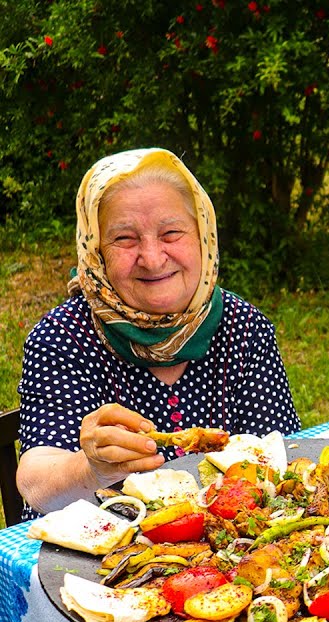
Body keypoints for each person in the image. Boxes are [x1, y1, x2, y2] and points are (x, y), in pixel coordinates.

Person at [16, 148, 301, 518]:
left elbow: (284, 453)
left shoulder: (243, 326)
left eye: (171, 233)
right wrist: (92, 469)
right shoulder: (62, 338)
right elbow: (37, 485)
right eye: (124, 239)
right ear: (95, 251)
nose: (152, 258)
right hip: (91, 556)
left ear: (203, 236)